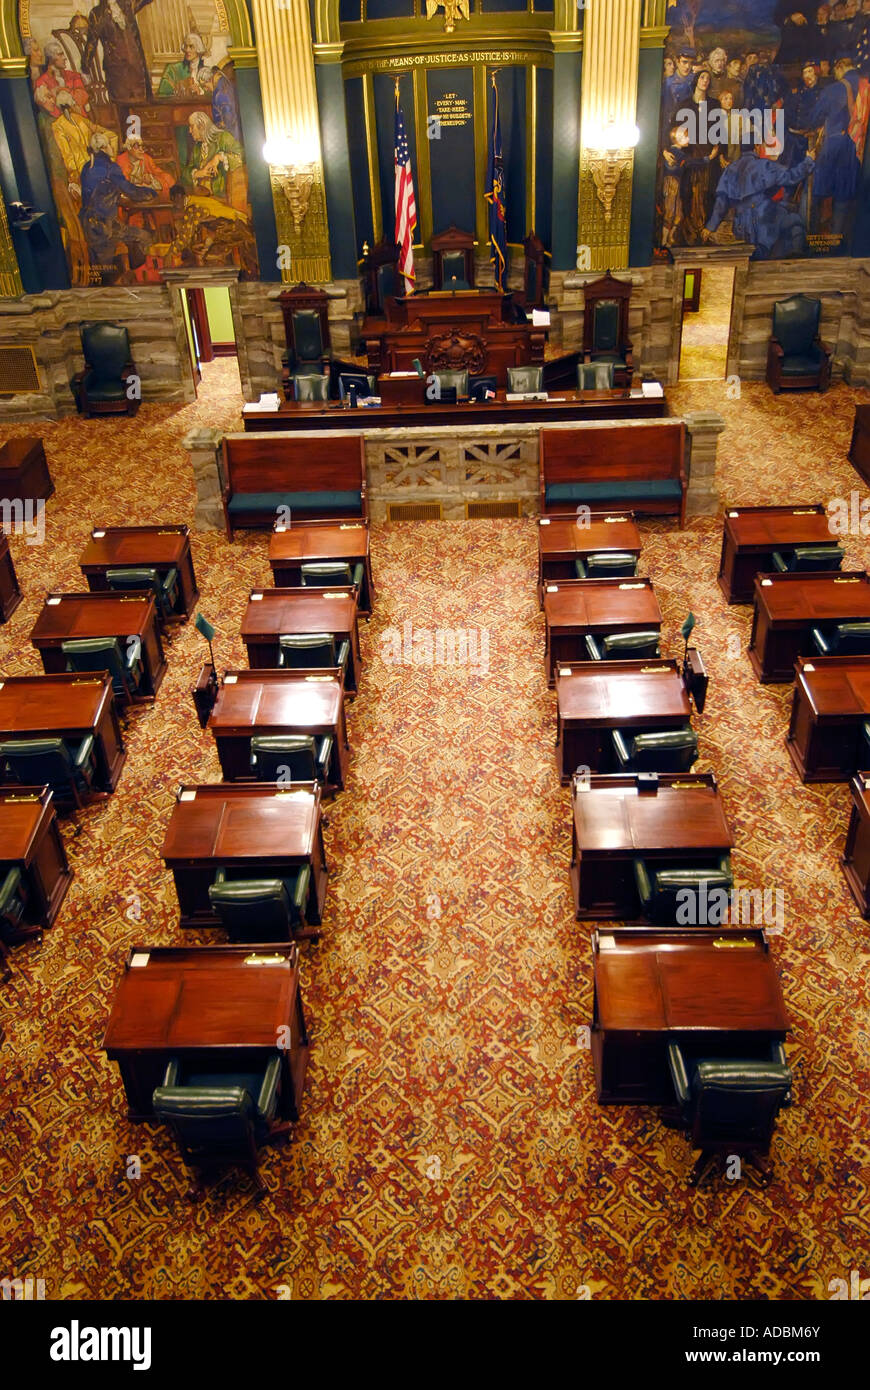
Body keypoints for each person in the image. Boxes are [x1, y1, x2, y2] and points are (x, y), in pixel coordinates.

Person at [705, 144, 816, 257]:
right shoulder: (763, 165)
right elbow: (790, 177)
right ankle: (796, 254)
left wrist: (710, 227)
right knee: (795, 220)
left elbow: (721, 202)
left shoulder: (729, 170)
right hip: (764, 218)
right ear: (756, 147)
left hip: (741, 226)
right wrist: (809, 161)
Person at [79, 129, 157, 275]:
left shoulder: (86, 167)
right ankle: (140, 275)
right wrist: (151, 193)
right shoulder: (111, 168)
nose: (112, 148)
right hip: (105, 230)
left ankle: (133, 274)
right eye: (110, 145)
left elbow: (98, 195)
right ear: (103, 148)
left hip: (87, 226)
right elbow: (132, 192)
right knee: (145, 237)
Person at [803, 51, 865, 233]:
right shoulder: (865, 86)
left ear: (839, 68)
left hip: (835, 144)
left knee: (821, 189)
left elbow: (814, 118)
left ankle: (816, 237)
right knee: (845, 193)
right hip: (858, 146)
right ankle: (840, 236)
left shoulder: (834, 89)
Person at [166, 182, 256, 277]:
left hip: (236, 226)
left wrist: (170, 252)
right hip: (236, 221)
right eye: (173, 201)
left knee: (207, 255)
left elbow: (185, 236)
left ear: (179, 196)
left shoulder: (193, 207)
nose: (175, 204)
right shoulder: (194, 200)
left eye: (175, 200)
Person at [82, 0, 155, 103]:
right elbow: (91, 43)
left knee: (141, 106)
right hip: (116, 70)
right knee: (123, 107)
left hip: (136, 67)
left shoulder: (127, 6)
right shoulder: (97, 13)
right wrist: (85, 67)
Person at [184, 110, 245, 207]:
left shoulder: (223, 138)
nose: (189, 131)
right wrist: (197, 173)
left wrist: (219, 157)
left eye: (192, 127)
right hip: (201, 196)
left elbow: (243, 155)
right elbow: (186, 172)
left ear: (202, 126)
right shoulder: (197, 147)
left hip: (219, 197)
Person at [33, 39, 90, 118]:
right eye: (60, 55)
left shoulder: (74, 76)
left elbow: (83, 98)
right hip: (61, 124)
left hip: (82, 120)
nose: (64, 58)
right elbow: (50, 109)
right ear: (51, 59)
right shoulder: (41, 81)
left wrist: (61, 90)